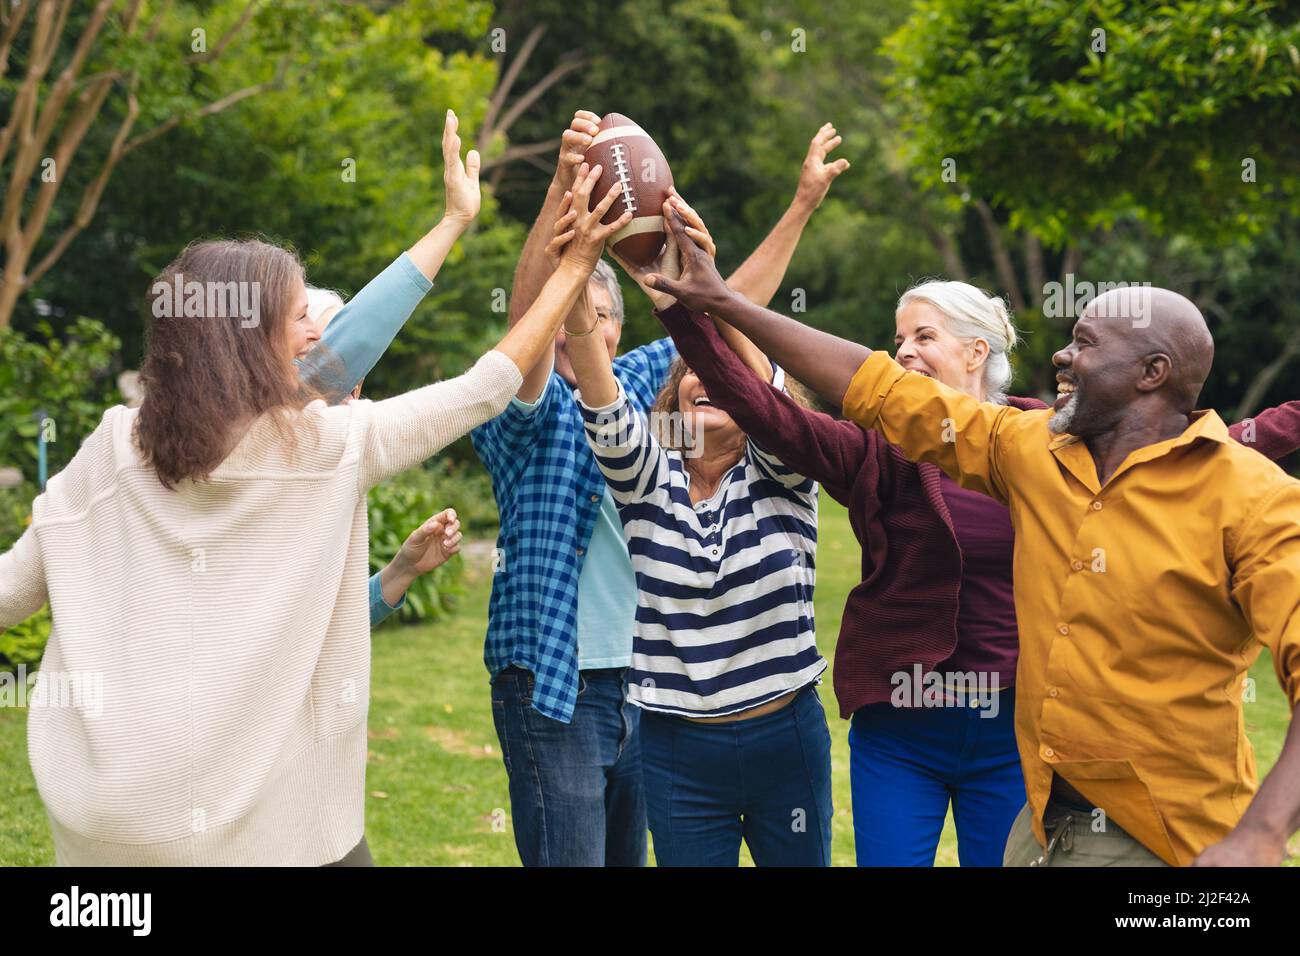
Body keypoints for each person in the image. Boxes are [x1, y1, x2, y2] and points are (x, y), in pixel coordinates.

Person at [0, 128, 630, 866]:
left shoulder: (113, 443)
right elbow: (486, 386)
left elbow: (10, 592)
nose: (319, 336)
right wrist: (575, 266)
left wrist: (453, 222)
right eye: (301, 319)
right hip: (265, 834)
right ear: (244, 341)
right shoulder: (324, 448)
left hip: (107, 827)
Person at [645, 216, 1300, 867]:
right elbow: (866, 386)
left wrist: (1263, 834)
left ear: (1152, 372)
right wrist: (713, 304)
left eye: (1085, 343)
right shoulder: (1029, 452)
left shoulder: (1248, 497)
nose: (1062, 356)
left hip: (1169, 828)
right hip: (1035, 803)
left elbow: (1241, 444)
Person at [470, 117, 847, 866]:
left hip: (647, 687)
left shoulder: (659, 396)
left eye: (607, 316)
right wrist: (561, 207)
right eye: (584, 312)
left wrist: (799, 207)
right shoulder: (532, 413)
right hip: (557, 682)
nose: (597, 330)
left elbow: (726, 317)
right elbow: (524, 336)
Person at [561, 191, 831, 866]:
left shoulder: (783, 473)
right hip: (678, 753)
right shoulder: (648, 482)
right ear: (673, 399)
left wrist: (703, 293)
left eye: (722, 377)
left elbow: (766, 392)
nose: (704, 383)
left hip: (786, 738)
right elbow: (598, 393)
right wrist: (576, 273)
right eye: (690, 376)